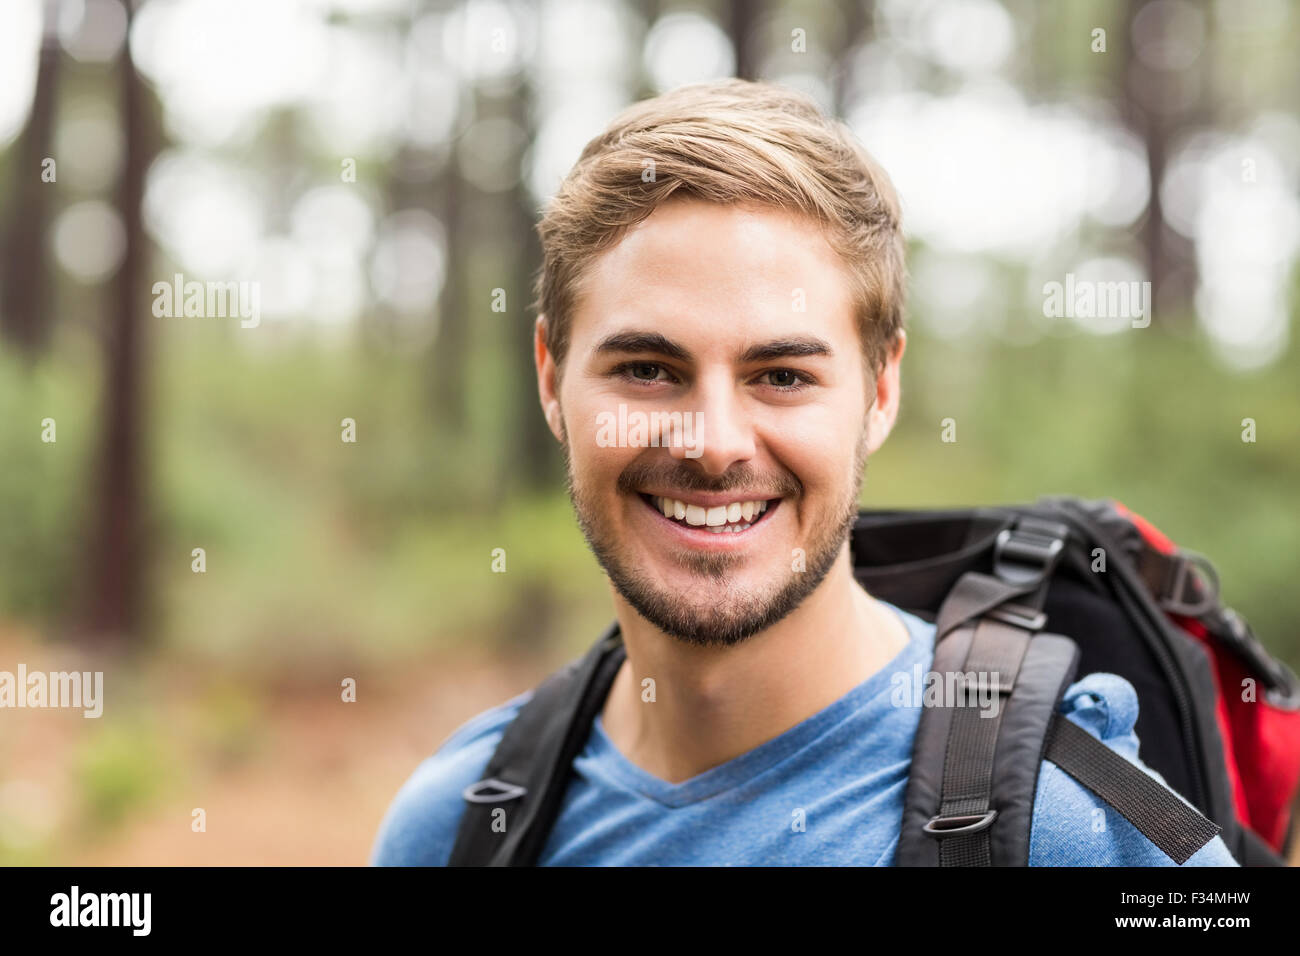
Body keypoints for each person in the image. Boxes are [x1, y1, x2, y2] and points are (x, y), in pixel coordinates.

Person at [372, 78, 1237, 866]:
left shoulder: (1083, 833)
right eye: (646, 368)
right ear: (551, 378)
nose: (712, 445)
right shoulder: (455, 828)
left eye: (782, 376)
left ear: (882, 390)